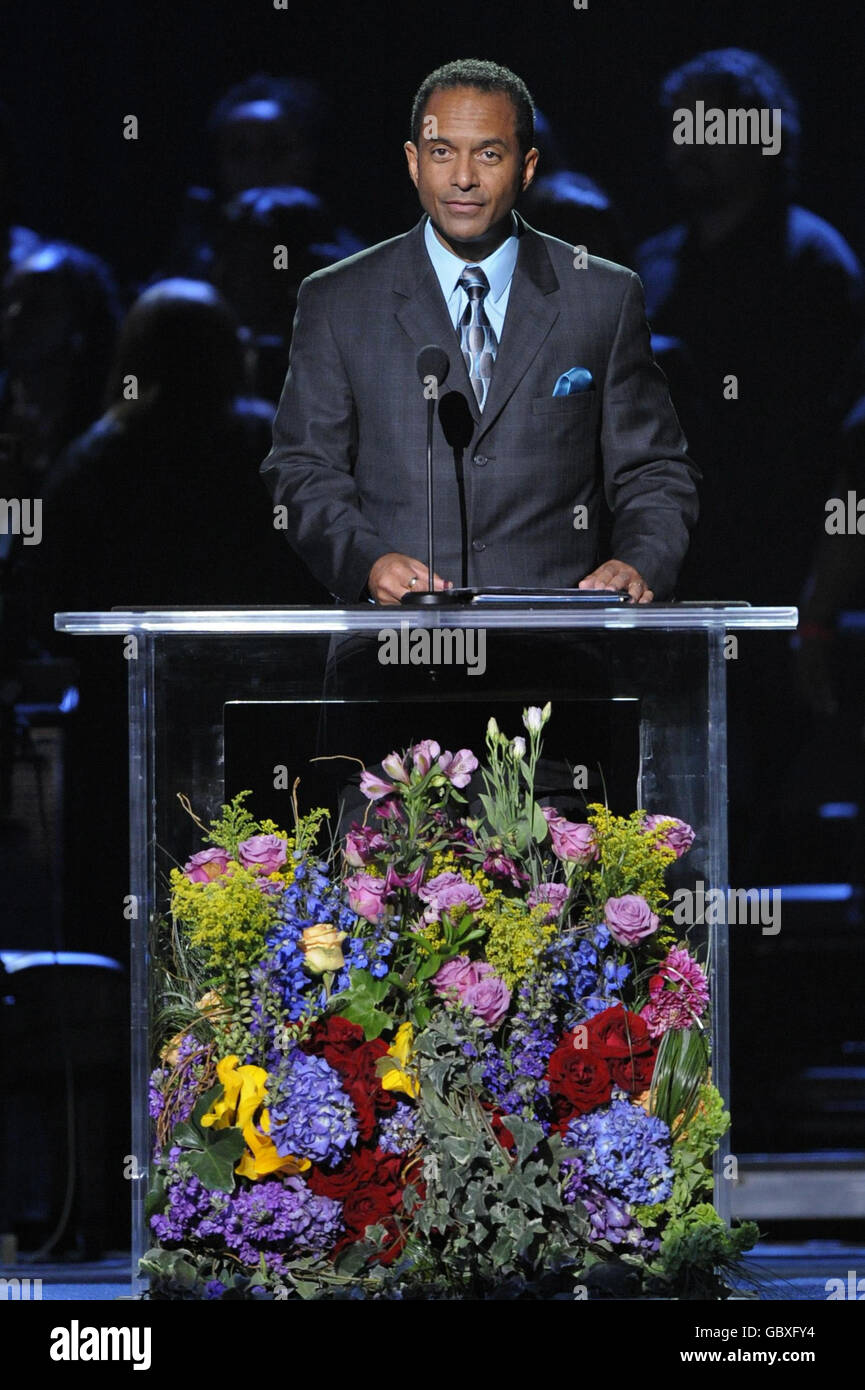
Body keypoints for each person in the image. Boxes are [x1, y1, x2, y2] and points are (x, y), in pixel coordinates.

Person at [260, 58, 699, 607]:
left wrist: (638, 561)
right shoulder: (338, 300)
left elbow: (653, 469)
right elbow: (303, 467)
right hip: (394, 651)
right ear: (414, 163)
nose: (463, 178)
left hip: (552, 649)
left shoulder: (603, 298)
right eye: (442, 152)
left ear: (528, 166)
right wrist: (367, 562)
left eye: (489, 154)